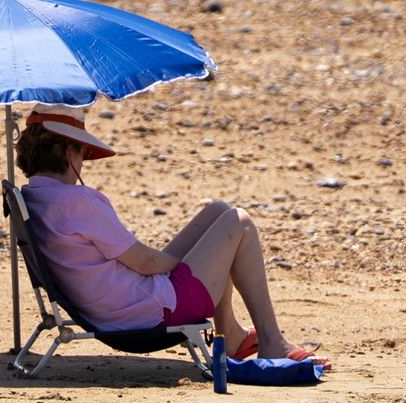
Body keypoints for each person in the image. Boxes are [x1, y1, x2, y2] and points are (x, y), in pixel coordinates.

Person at [16, 106, 322, 363]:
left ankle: (231, 334)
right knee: (238, 222)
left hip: (114, 309)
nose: (83, 161)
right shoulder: (77, 202)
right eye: (82, 152)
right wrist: (192, 261)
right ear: (70, 153)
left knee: (217, 212)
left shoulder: (35, 198)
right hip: (147, 315)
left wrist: (197, 258)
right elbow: (145, 263)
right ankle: (271, 340)